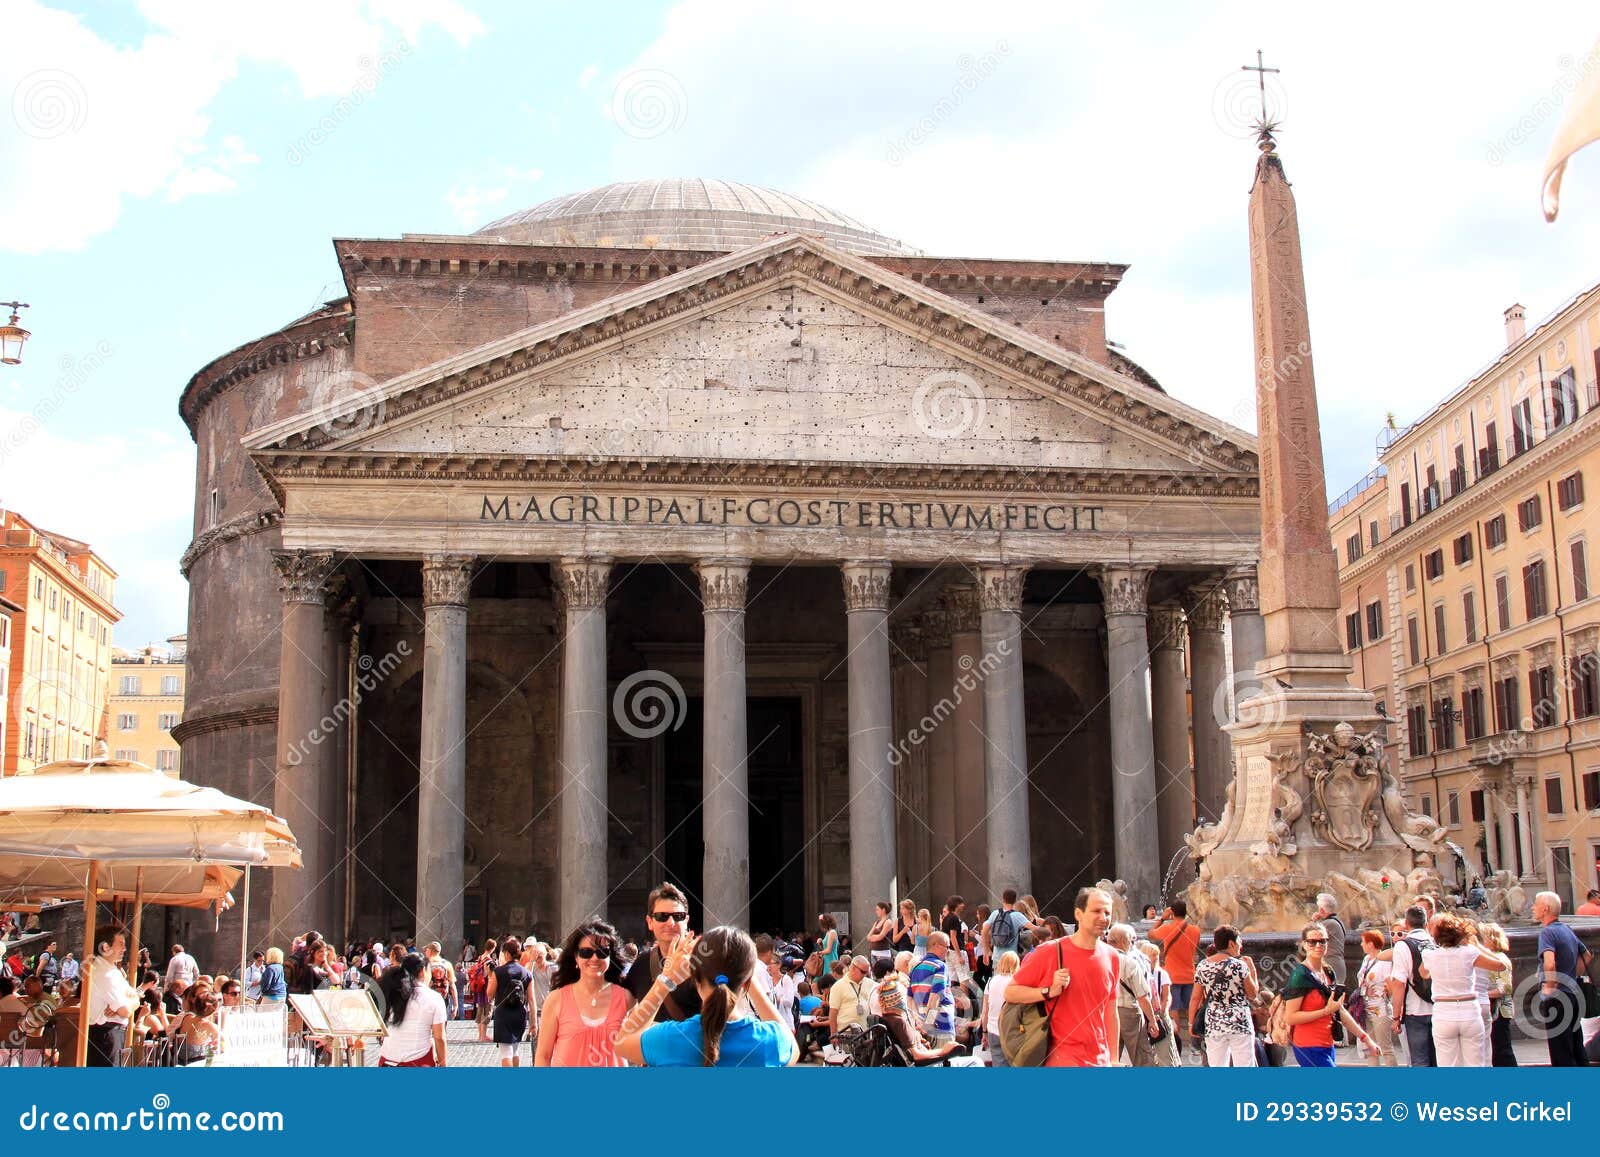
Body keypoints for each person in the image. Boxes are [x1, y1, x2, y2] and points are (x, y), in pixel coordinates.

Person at [616, 925, 797, 1067]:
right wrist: (750, 981)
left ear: (696, 980)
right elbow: (793, 1047)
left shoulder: (669, 1039)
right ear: (746, 982)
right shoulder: (771, 1040)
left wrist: (666, 980)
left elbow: (622, 1042)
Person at [1004, 886, 1120, 1067]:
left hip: (1101, 1060)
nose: (1103, 918)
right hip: (1061, 1059)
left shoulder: (1113, 956)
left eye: (1108, 912)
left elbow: (1111, 1012)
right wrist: (1048, 991)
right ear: (1078, 914)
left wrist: (1114, 1060)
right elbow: (1011, 992)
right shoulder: (1049, 951)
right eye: (1096, 911)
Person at [535, 919, 633, 1067]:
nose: (594, 958)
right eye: (586, 952)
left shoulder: (626, 997)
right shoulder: (556, 999)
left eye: (602, 952)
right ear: (576, 956)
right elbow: (543, 1056)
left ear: (610, 956)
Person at [1415, 914, 1507, 1067]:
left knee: (1447, 1064)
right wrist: (1477, 946)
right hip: (1469, 1009)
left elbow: (1423, 973)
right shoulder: (1469, 952)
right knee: (1475, 1063)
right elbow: (1500, 965)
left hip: (1443, 1010)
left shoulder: (1430, 955)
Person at [1281, 922, 1374, 1067]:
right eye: (1312, 942)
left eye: (1322, 941)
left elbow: (1339, 1010)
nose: (1318, 945)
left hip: (1327, 1043)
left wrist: (1365, 1037)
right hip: (1308, 1045)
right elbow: (1291, 1017)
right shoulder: (1300, 974)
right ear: (1304, 945)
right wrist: (1325, 1011)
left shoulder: (1328, 972)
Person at [624, 883, 702, 1023]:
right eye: (662, 916)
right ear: (650, 922)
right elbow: (619, 1006)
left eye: (678, 916)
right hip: (653, 1044)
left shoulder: (705, 960)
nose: (671, 923)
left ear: (686, 921)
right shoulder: (642, 962)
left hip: (694, 1044)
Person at [1532, 890, 1593, 1066]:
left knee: (1561, 1053)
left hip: (1558, 999)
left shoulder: (1547, 933)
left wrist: (1550, 987)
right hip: (1573, 995)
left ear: (1545, 909)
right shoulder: (1566, 929)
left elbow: (1549, 964)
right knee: (1576, 1047)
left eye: (1536, 904)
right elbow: (1587, 955)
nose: (1532, 908)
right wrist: (1571, 977)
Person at [1190, 925, 1259, 1067]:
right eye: (1239, 942)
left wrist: (1191, 1022)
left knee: (1217, 1065)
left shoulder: (1203, 966)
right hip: (1239, 1023)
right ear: (1231, 943)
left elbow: (1195, 997)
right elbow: (1253, 994)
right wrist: (1252, 969)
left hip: (1214, 1023)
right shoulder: (1239, 966)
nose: (1241, 945)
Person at [1148, 900, 1201, 1057]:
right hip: (1190, 975)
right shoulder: (1195, 930)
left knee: (1173, 1010)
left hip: (1172, 975)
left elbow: (1150, 934)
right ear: (1186, 912)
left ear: (1172, 912)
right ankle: (1196, 1044)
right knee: (1193, 1009)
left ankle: (1175, 1042)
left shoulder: (1167, 928)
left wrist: (1163, 918)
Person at [1386, 904, 1437, 1065]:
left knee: (1419, 1060)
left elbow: (1398, 983)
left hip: (1415, 1011)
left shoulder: (1403, 945)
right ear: (1426, 923)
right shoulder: (1435, 943)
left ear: (1406, 924)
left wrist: (1396, 1016)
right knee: (1439, 1061)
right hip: (1439, 1008)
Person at [377, 953, 447, 1066]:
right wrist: (443, 1064)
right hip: (418, 1061)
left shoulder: (391, 992)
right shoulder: (434, 998)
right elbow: (439, 1037)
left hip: (387, 1060)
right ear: (423, 970)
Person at [1106, 923, 1161, 1066]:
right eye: (1131, 941)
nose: (1131, 945)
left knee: (1110, 1057)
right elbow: (1142, 996)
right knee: (1141, 1056)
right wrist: (1152, 1021)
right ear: (1124, 942)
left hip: (1106, 1011)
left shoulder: (1099, 959)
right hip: (1130, 1012)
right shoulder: (1130, 962)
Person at [85, 930, 139, 1067]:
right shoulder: (103, 972)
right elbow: (125, 1010)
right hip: (105, 1034)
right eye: (120, 944)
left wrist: (132, 1001)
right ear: (105, 947)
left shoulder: (112, 970)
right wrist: (130, 1003)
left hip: (111, 1033)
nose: (124, 949)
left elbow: (134, 996)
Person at [908, 930, 959, 1047]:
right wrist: (929, 1023)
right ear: (936, 945)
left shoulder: (915, 968)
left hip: (922, 1028)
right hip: (941, 1027)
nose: (948, 950)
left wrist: (919, 1022)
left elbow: (910, 999)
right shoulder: (941, 966)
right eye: (947, 946)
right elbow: (936, 996)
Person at [486, 936, 532, 1067]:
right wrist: (533, 1022)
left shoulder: (498, 971)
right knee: (515, 1049)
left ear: (506, 953)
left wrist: (490, 976)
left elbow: (489, 994)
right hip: (520, 1013)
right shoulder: (527, 973)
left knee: (506, 1052)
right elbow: (532, 1000)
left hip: (503, 1013)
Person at [1354, 930, 1397, 1066]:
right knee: (1370, 1048)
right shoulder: (1366, 960)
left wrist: (1388, 996)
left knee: (1385, 1048)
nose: (1361, 945)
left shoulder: (1384, 961)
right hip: (1365, 1008)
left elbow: (1390, 984)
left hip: (1380, 1008)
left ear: (1371, 944)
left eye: (1363, 942)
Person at [1478, 922, 1517, 1067]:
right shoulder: (1492, 957)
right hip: (1496, 1010)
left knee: (1502, 1050)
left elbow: (1505, 988)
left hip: (1500, 1011)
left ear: (1490, 939)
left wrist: (1481, 994)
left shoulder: (1499, 959)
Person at [1136, 940, 1179, 1067]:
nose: (1155, 958)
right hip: (1144, 1015)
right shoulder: (1140, 973)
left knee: (1165, 1053)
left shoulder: (1161, 974)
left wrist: (1162, 1011)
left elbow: (1167, 996)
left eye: (1157, 955)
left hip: (1159, 1014)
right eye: (1152, 955)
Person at [980, 950, 1019, 1067]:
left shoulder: (991, 981)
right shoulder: (1017, 982)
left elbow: (985, 1011)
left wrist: (984, 1032)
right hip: (1012, 1030)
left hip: (993, 1030)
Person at [172, 985, 222, 1065]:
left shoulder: (186, 1018)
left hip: (179, 1062)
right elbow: (223, 1047)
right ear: (215, 1009)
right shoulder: (209, 1026)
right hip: (197, 1064)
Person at [982, 889, 1028, 973]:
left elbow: (984, 932)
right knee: (1011, 984)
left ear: (1002, 899)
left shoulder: (995, 913)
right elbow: (1034, 929)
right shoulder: (1018, 916)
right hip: (1012, 958)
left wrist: (986, 951)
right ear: (1015, 901)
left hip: (997, 957)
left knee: (998, 982)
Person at [828, 955, 871, 1040]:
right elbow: (833, 1013)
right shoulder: (838, 986)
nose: (865, 975)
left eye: (866, 972)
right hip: (846, 1033)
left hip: (866, 1032)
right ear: (853, 968)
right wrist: (833, 1035)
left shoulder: (869, 983)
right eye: (863, 971)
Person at [1313, 893, 1347, 984]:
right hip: (1336, 964)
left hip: (1331, 965)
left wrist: (1313, 920)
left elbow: (1309, 934)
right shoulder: (1337, 921)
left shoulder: (1329, 923)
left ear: (1321, 909)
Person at [469, 937, 496, 1040]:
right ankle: (483, 1035)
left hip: (478, 988)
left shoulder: (480, 957)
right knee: (487, 1011)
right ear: (493, 948)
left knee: (480, 1010)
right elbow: (487, 974)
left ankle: (480, 1034)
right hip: (486, 987)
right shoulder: (489, 960)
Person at [866, 902, 895, 966]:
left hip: (883, 953)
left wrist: (872, 937)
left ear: (883, 910)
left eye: (877, 909)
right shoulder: (877, 922)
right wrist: (873, 937)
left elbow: (881, 937)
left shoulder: (888, 922)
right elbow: (868, 936)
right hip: (873, 952)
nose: (876, 912)